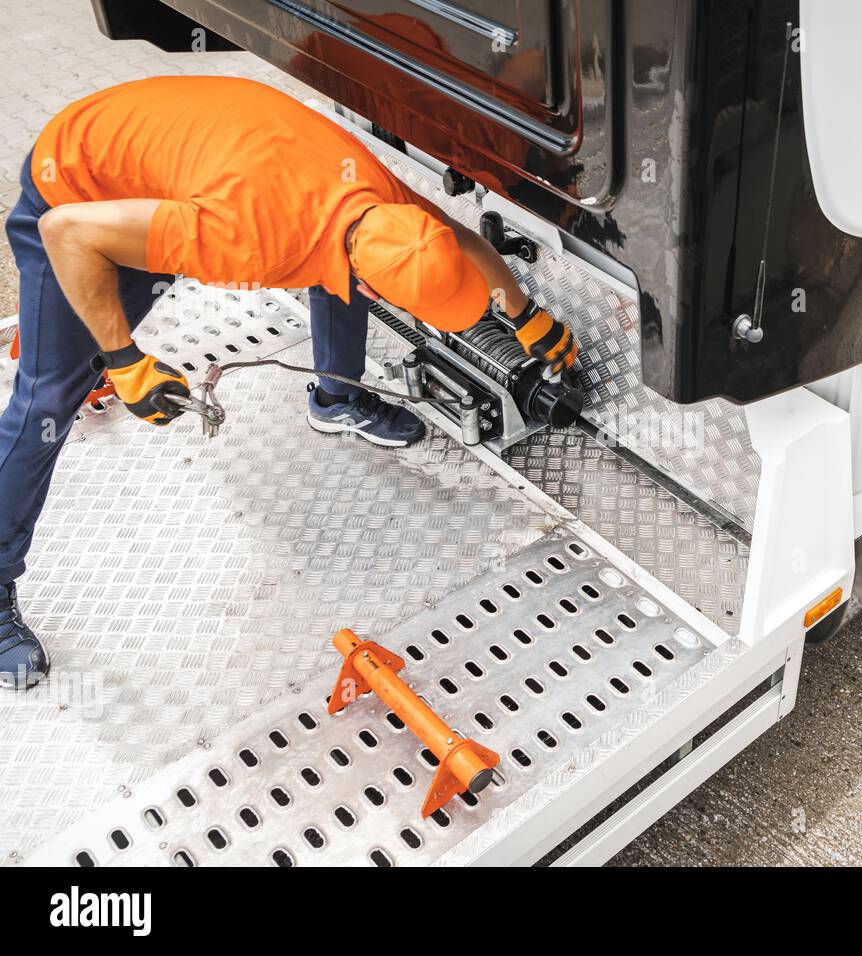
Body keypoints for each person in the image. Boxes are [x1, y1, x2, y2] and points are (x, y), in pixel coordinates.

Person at [0, 76, 579, 690]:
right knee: (49, 394)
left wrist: (524, 315)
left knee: (332, 257)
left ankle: (336, 398)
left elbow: (458, 241)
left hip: (172, 166)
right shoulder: (245, 240)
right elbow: (70, 233)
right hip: (72, 184)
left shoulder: (382, 206)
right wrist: (123, 359)